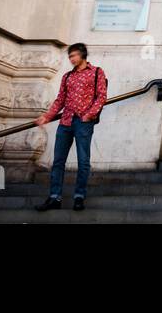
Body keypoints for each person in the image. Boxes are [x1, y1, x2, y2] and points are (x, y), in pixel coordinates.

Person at [34, 43, 108, 212]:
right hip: (65, 122)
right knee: (58, 161)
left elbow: (101, 96)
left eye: (74, 55)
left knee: (83, 162)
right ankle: (54, 198)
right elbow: (60, 99)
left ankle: (79, 197)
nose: (71, 59)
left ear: (82, 55)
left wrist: (89, 114)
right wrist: (47, 116)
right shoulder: (67, 76)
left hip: (84, 123)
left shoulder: (96, 72)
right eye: (69, 56)